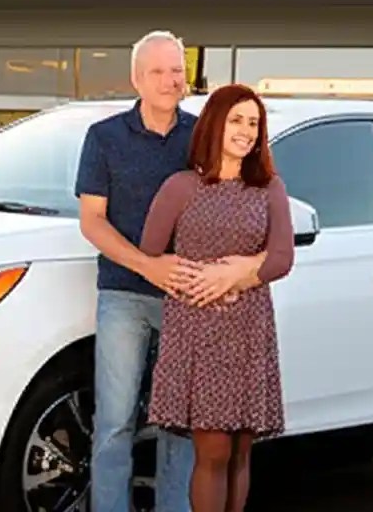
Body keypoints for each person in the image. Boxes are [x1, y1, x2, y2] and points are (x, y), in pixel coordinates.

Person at [75, 31, 266, 512]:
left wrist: (240, 269)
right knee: (114, 422)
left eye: (176, 70)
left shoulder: (204, 137)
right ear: (137, 79)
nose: (169, 79)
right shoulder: (104, 138)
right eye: (157, 71)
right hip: (123, 296)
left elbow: (244, 201)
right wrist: (149, 266)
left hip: (193, 303)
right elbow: (92, 222)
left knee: (183, 426)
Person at [137, 83, 296, 512]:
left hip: (249, 331)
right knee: (214, 452)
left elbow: (282, 257)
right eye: (237, 121)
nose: (246, 131)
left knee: (242, 450)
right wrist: (194, 279)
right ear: (215, 125)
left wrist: (237, 275)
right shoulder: (181, 186)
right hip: (197, 331)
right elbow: (152, 251)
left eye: (253, 124)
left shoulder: (269, 189)